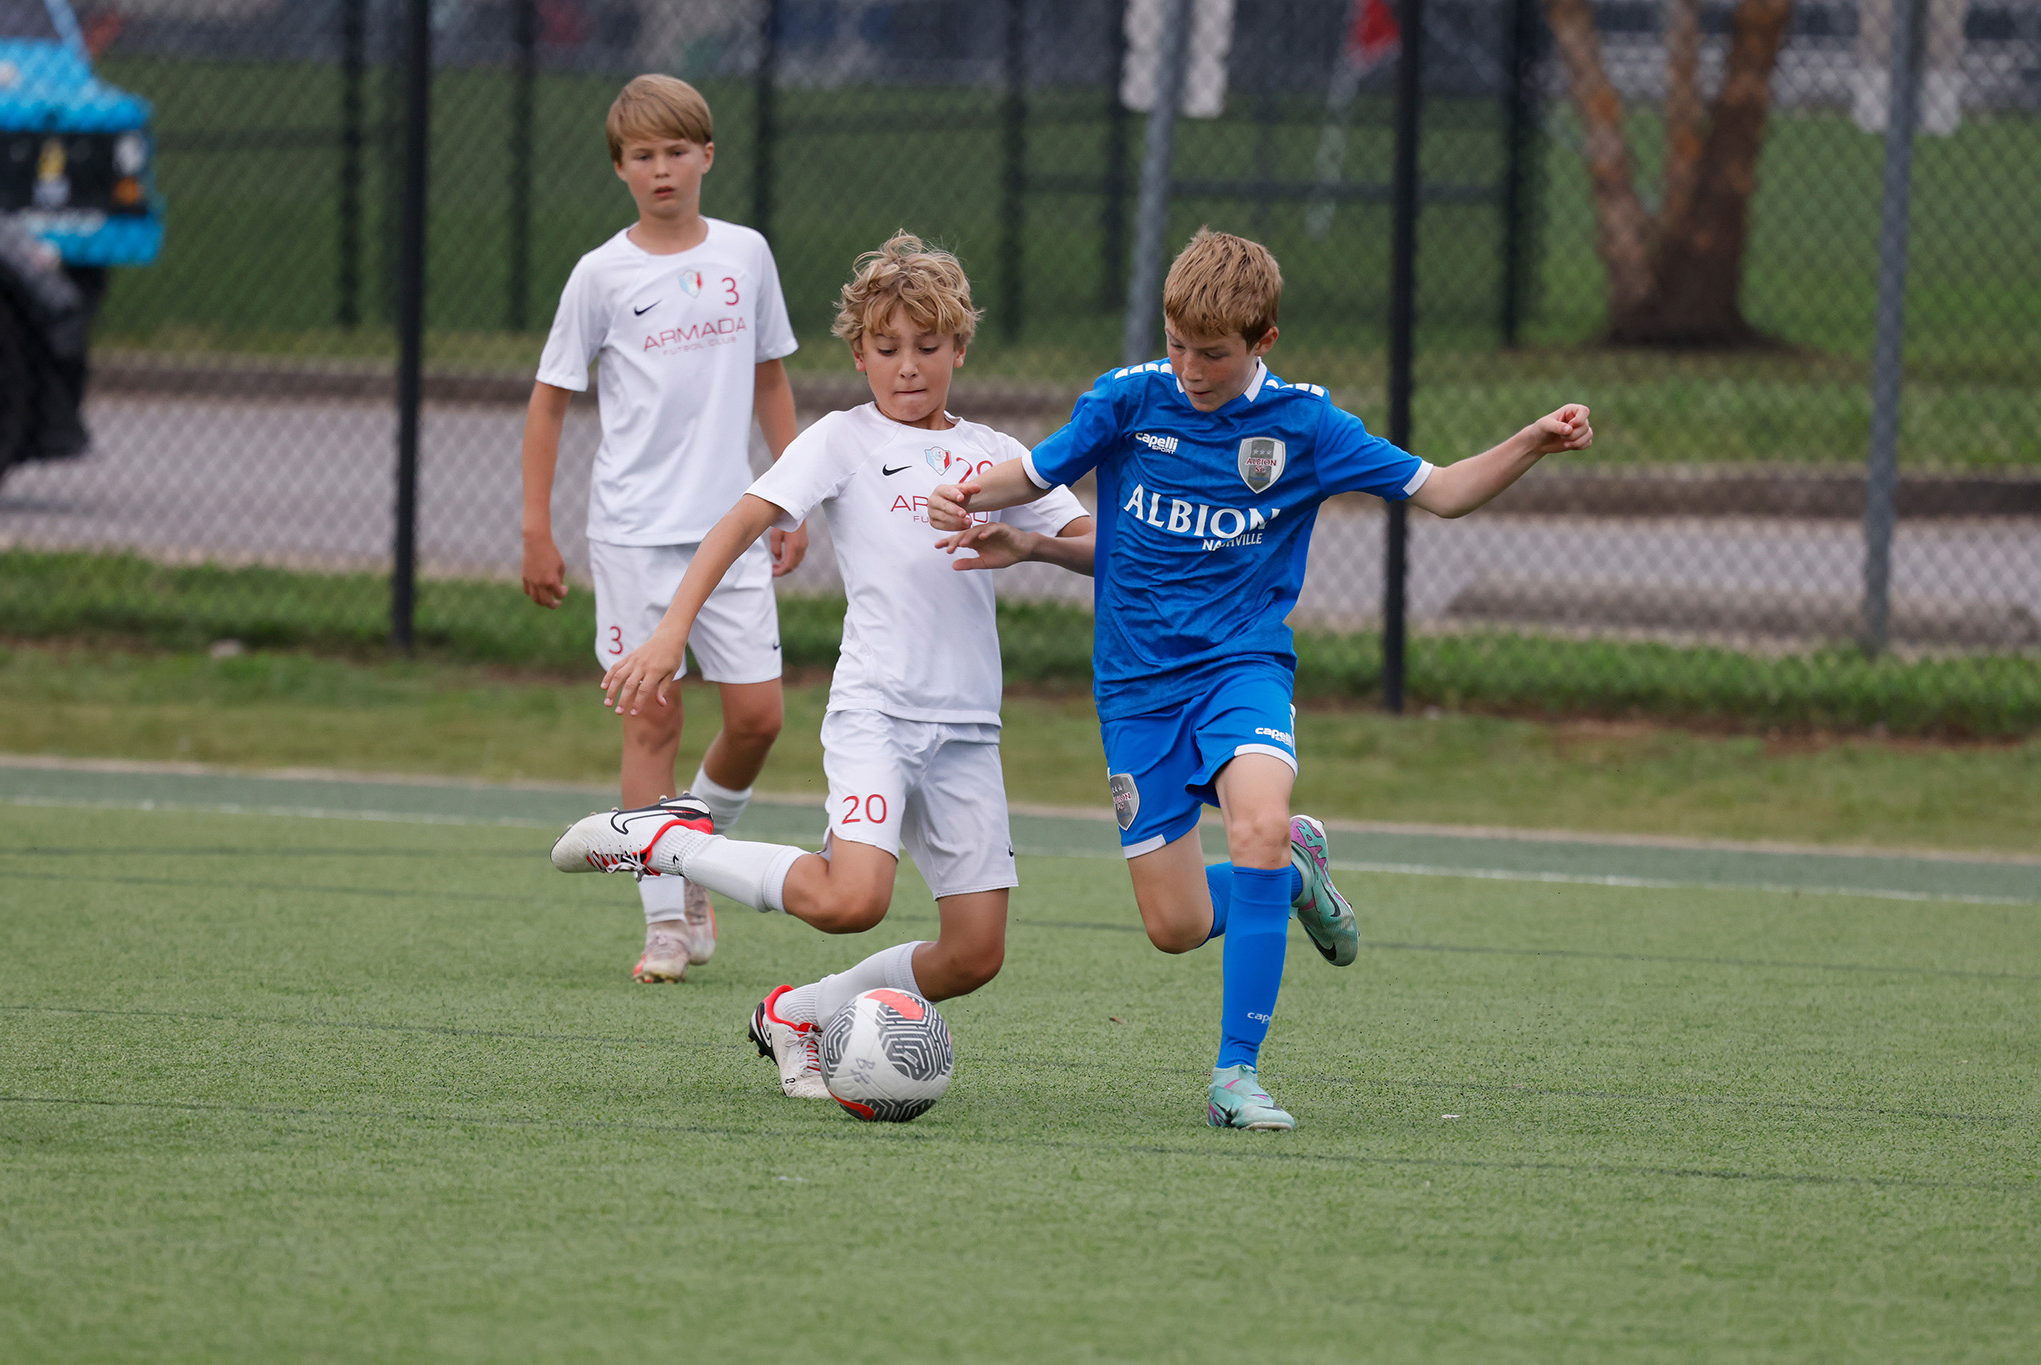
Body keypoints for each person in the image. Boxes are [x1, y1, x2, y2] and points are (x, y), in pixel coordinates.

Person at [928, 229, 1594, 1130]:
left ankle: (1235, 1074)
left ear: (1262, 342)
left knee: (1256, 823)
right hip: (1136, 690)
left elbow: (1441, 491)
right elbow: (1037, 476)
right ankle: (1293, 876)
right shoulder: (1126, 403)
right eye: (1178, 345)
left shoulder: (1306, 427)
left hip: (1244, 667)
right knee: (1173, 923)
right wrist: (985, 507)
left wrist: (1530, 442)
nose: (1192, 369)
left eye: (1214, 353)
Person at [549, 233, 1095, 1100]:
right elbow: (738, 521)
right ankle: (669, 843)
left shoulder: (998, 453)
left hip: (967, 732)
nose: (907, 368)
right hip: (876, 710)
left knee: (975, 953)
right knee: (853, 900)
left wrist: (1026, 542)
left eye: (927, 347)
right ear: (859, 354)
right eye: (886, 350)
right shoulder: (842, 439)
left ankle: (796, 1011)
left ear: (961, 347)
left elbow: (1098, 548)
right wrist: (668, 632)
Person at [520, 74, 805, 985]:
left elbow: (770, 380)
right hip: (634, 536)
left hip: (733, 532)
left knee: (759, 718)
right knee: (653, 723)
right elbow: (549, 400)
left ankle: (691, 855)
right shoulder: (600, 274)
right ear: (620, 169)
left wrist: (792, 494)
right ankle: (667, 922)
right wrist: (536, 526)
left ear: (707, 156)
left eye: (678, 151)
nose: (662, 169)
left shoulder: (747, 255)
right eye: (642, 156)